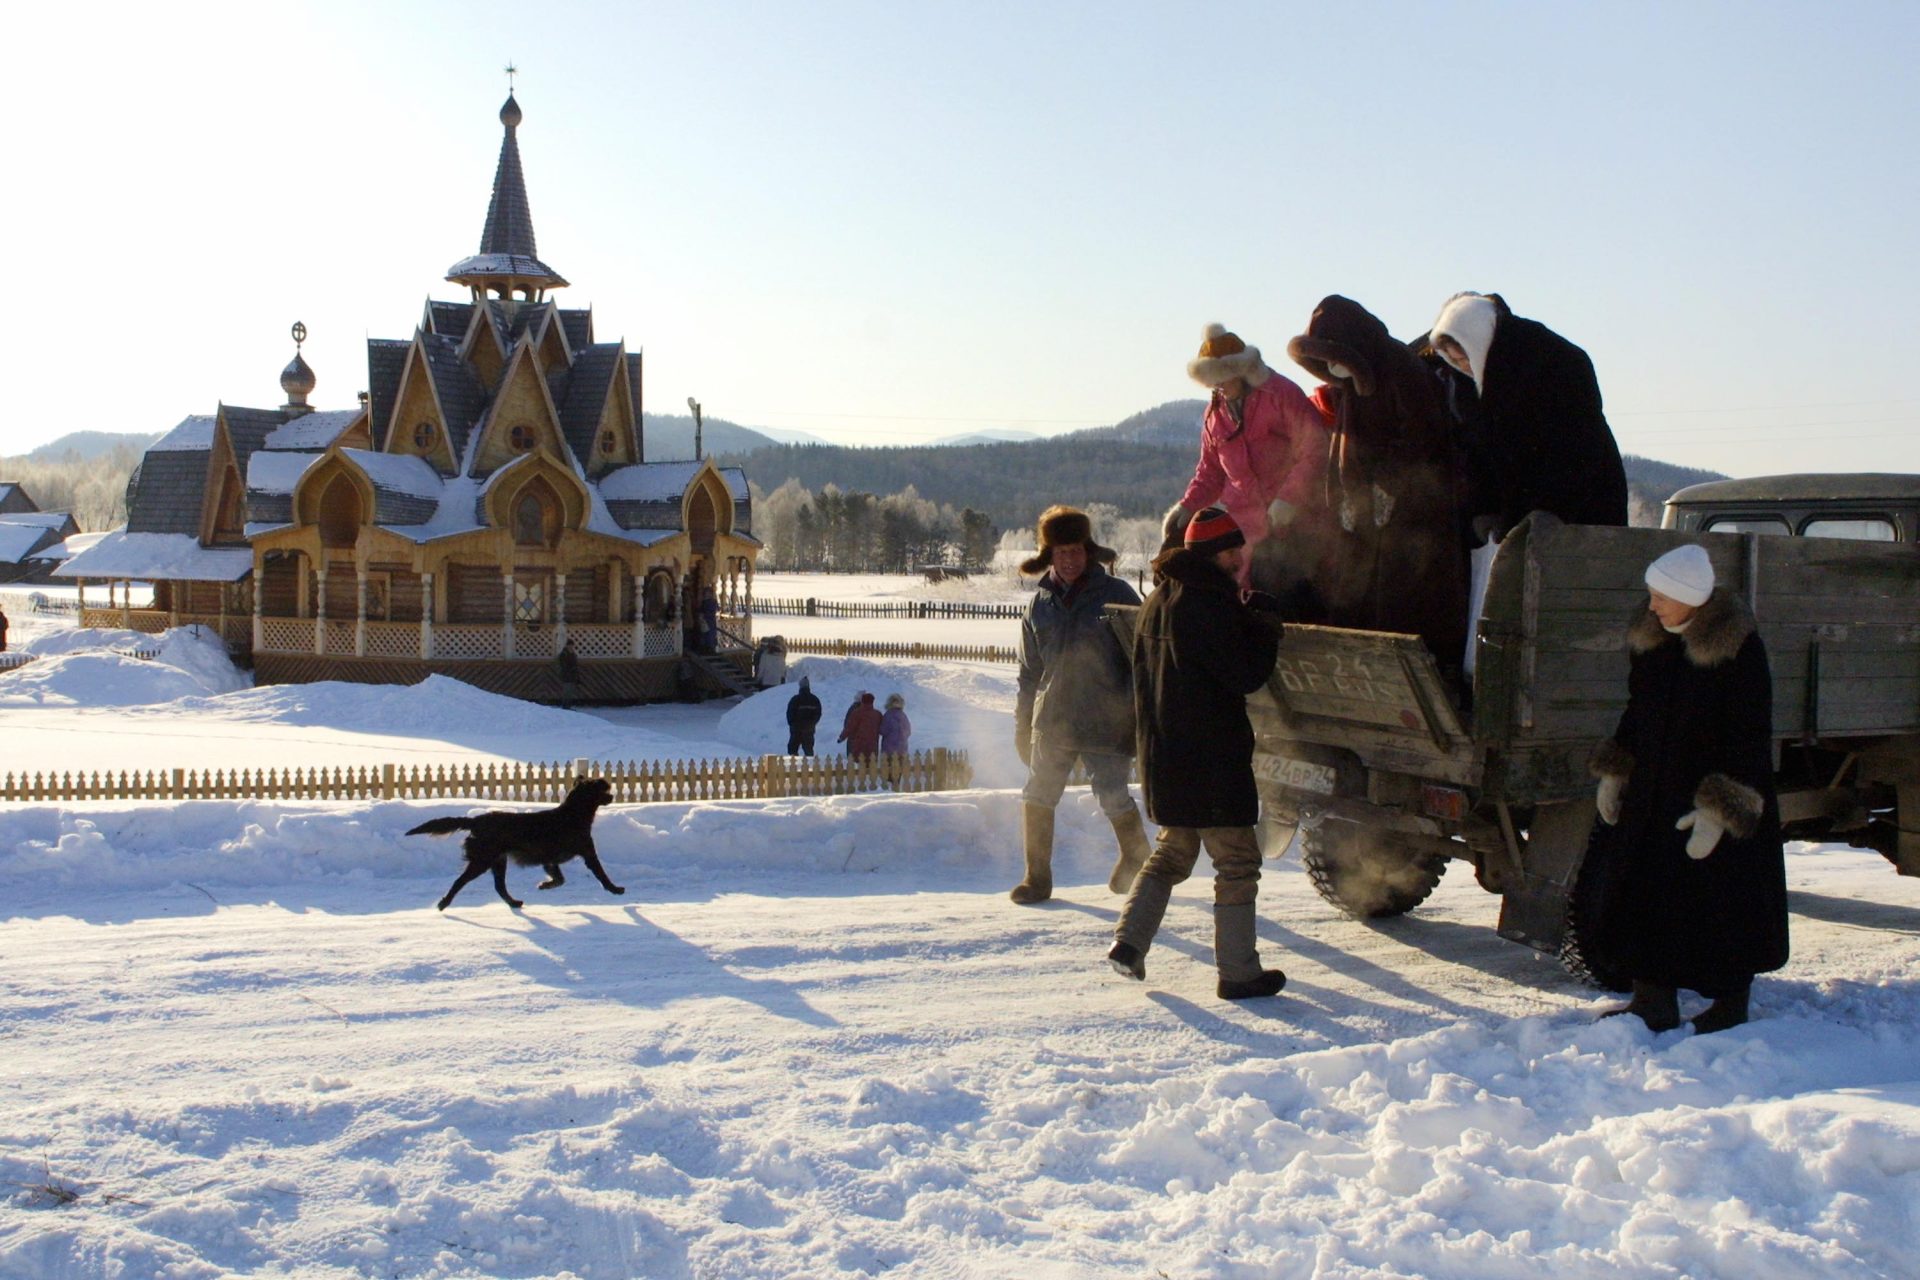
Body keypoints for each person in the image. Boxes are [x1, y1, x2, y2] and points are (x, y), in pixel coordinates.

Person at [1584, 544, 1787, 1033]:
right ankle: (1652, 1000)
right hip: (1653, 788)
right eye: (1650, 594)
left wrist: (1720, 810)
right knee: (1644, 889)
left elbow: (1749, 733)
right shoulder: (1652, 640)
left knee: (1721, 899)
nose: (1652, 605)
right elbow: (1637, 712)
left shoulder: (1736, 647)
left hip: (1707, 793)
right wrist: (1617, 770)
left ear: (1692, 599)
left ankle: (1730, 1004)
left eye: (1661, 597)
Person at [1107, 507, 1288, 1000]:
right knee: (1236, 863)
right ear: (1211, 555)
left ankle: (1129, 943)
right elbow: (1247, 672)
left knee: (1171, 854)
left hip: (1165, 755)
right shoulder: (1210, 605)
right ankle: (1238, 972)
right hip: (1211, 760)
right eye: (1232, 552)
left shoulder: (1156, 601)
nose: (1238, 560)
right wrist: (1266, 624)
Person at [1286, 296, 1469, 664]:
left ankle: (1416, 671)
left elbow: (1422, 437)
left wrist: (1387, 488)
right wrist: (1342, 496)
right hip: (1363, 514)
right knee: (1355, 592)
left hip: (1410, 515)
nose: (1330, 366)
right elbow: (1345, 447)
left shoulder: (1401, 371)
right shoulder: (1352, 384)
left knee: (1403, 599)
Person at [1009, 505, 1151, 904]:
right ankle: (1037, 878)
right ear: (1048, 556)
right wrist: (1023, 724)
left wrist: (1141, 718)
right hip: (1052, 718)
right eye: (1060, 552)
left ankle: (1137, 857)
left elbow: (1144, 662)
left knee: (1112, 793)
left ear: (1088, 551)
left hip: (1107, 718)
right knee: (1037, 793)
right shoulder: (1039, 604)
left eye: (1075, 551)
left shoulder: (1117, 596)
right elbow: (1028, 673)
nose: (1069, 560)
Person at [1422, 292, 1628, 538]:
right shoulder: (1475, 385)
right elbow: (1481, 450)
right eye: (1455, 362)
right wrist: (1484, 507)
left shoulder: (1555, 362)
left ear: (1477, 341)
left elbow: (1575, 450)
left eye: (1465, 358)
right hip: (1523, 516)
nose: (1465, 368)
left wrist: (1547, 509)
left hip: (1584, 510)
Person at [1168, 323, 1332, 593]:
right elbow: (1210, 472)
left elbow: (1315, 449)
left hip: (1297, 523)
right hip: (1245, 532)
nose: (1217, 385)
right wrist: (1187, 507)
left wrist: (1288, 500)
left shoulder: (1281, 394)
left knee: (1296, 597)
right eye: (1211, 380)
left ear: (1242, 371)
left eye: (1222, 376)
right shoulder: (1213, 415)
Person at [880, 692, 912, 788]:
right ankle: (896, 786)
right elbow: (908, 731)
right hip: (902, 748)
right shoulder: (903, 715)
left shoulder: (888, 715)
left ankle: (890, 789)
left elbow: (882, 730)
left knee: (888, 770)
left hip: (889, 748)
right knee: (898, 770)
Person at [838, 691, 882, 760]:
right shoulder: (877, 714)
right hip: (872, 747)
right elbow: (882, 729)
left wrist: (841, 737)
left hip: (858, 746)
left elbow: (849, 727)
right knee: (871, 768)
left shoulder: (856, 713)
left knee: (857, 768)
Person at [785, 676, 823, 756]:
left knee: (792, 749)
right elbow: (818, 714)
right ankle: (810, 766)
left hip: (796, 730)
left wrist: (793, 724)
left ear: (800, 686)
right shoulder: (814, 699)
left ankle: (793, 767)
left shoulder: (795, 699)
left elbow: (790, 714)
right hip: (809, 730)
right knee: (809, 750)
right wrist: (812, 723)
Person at [554, 639, 581, 709]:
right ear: (567, 645)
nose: (571, 647)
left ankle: (568, 706)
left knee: (571, 692)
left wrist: (577, 676)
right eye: (570, 645)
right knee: (567, 692)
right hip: (566, 676)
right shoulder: (563, 654)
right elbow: (563, 665)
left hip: (573, 676)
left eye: (572, 645)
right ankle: (565, 706)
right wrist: (570, 669)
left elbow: (576, 665)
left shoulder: (573, 654)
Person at [697, 588, 720, 655]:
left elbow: (717, 610)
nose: (706, 594)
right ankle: (707, 650)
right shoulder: (704, 602)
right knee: (706, 635)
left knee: (710, 635)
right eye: (705, 593)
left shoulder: (711, 602)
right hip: (706, 621)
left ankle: (710, 650)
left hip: (710, 621)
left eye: (707, 593)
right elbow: (701, 612)